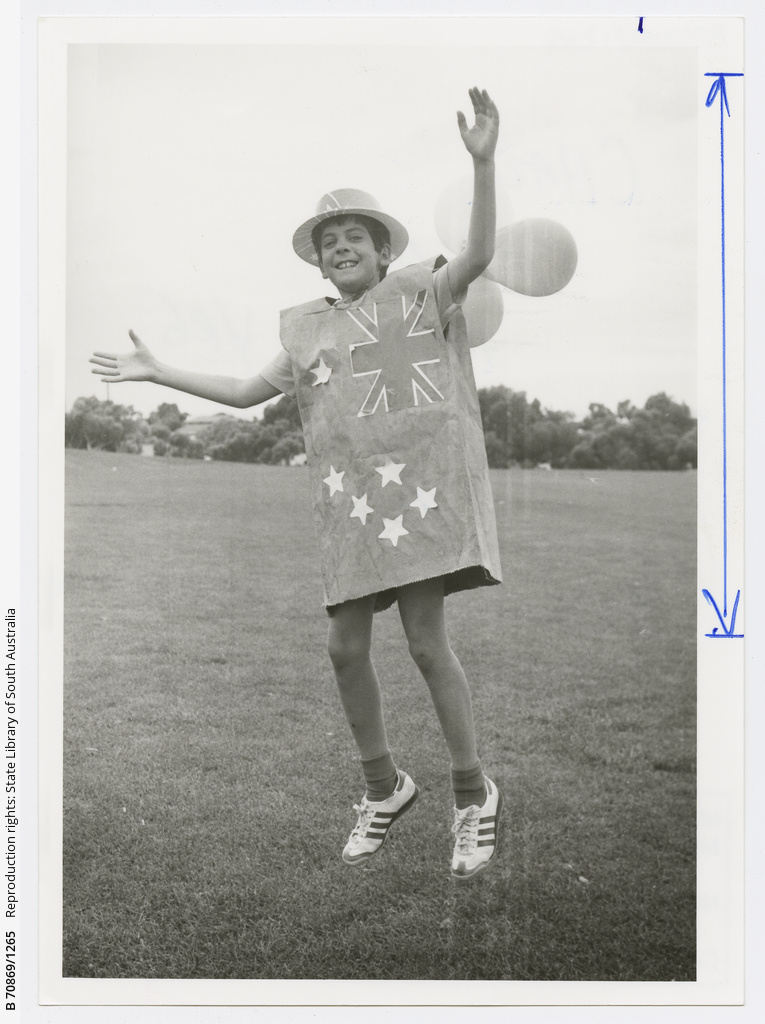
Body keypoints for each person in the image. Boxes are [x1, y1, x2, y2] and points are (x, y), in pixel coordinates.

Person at [91, 87, 503, 879]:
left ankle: (470, 794)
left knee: (424, 642)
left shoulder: (421, 295)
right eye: (329, 241)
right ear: (317, 260)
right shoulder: (307, 329)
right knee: (344, 647)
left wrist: (481, 165)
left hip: (417, 496)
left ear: (384, 254)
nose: (340, 246)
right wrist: (159, 371)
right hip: (353, 505)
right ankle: (384, 789)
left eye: (356, 236)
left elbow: (480, 255)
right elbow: (249, 393)